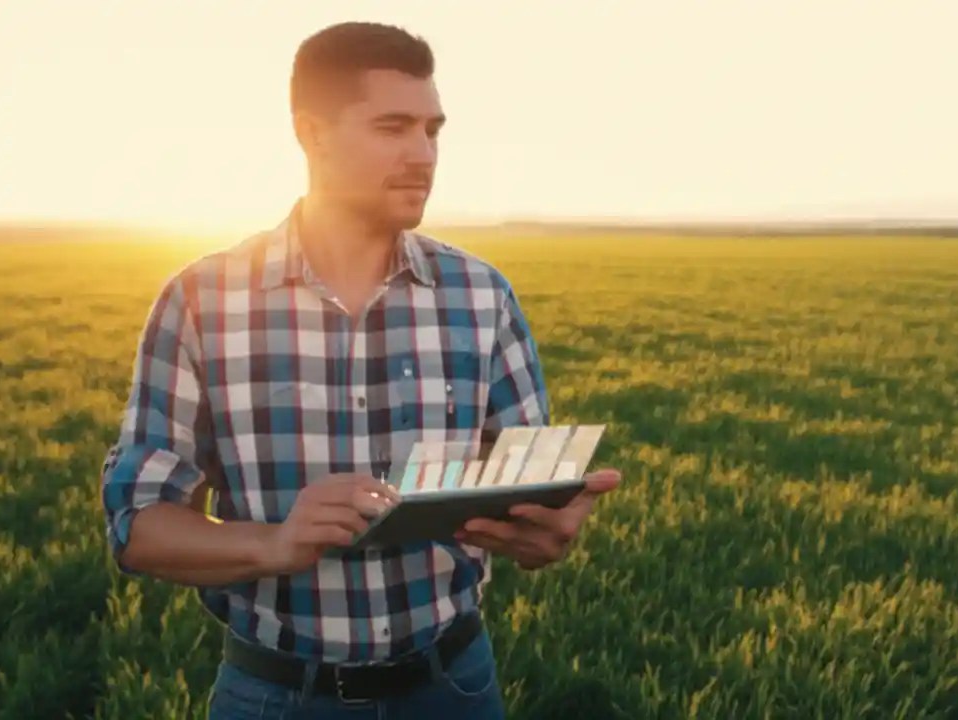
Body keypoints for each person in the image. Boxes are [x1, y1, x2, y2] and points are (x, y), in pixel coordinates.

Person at [98, 20, 621, 719]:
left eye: (433, 129)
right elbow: (139, 527)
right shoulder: (201, 300)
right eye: (393, 127)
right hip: (276, 695)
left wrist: (546, 526)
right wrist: (277, 543)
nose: (424, 153)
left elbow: (525, 487)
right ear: (311, 134)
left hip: (455, 685)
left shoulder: (481, 295)